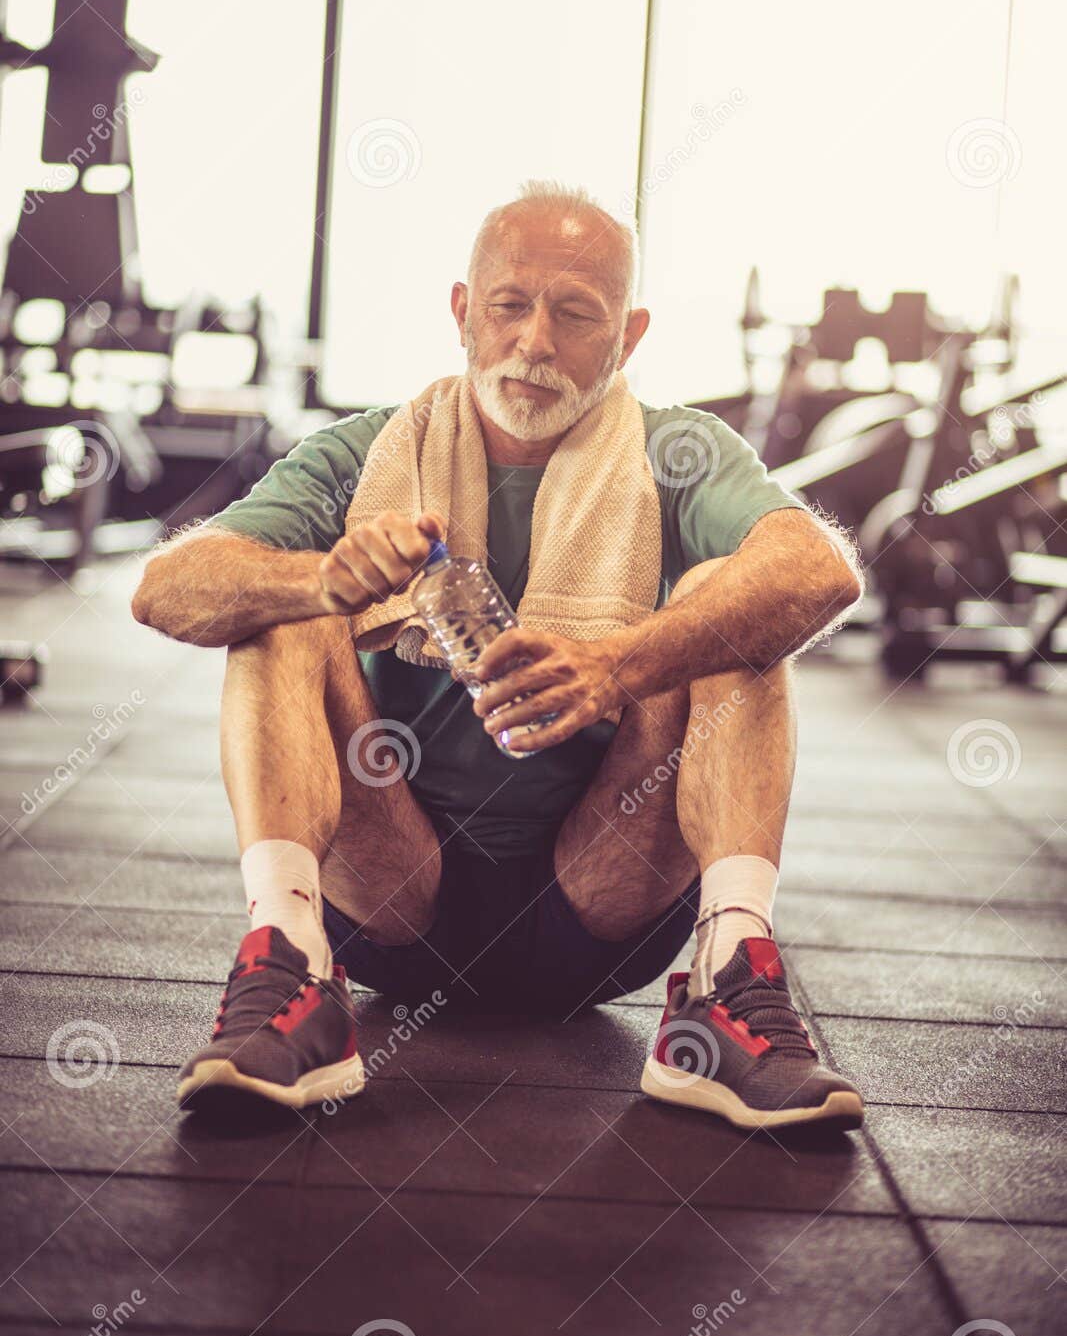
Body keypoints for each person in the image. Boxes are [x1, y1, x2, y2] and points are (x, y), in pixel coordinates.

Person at [132, 181, 865, 1131]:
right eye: (510, 306)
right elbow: (164, 588)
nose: (533, 343)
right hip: (392, 895)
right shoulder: (367, 454)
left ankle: (728, 981)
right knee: (277, 603)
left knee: (733, 602)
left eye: (575, 314)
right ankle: (292, 971)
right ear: (463, 314)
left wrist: (618, 665)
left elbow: (820, 572)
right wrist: (321, 584)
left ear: (628, 336)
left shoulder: (678, 452)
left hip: (603, 892)